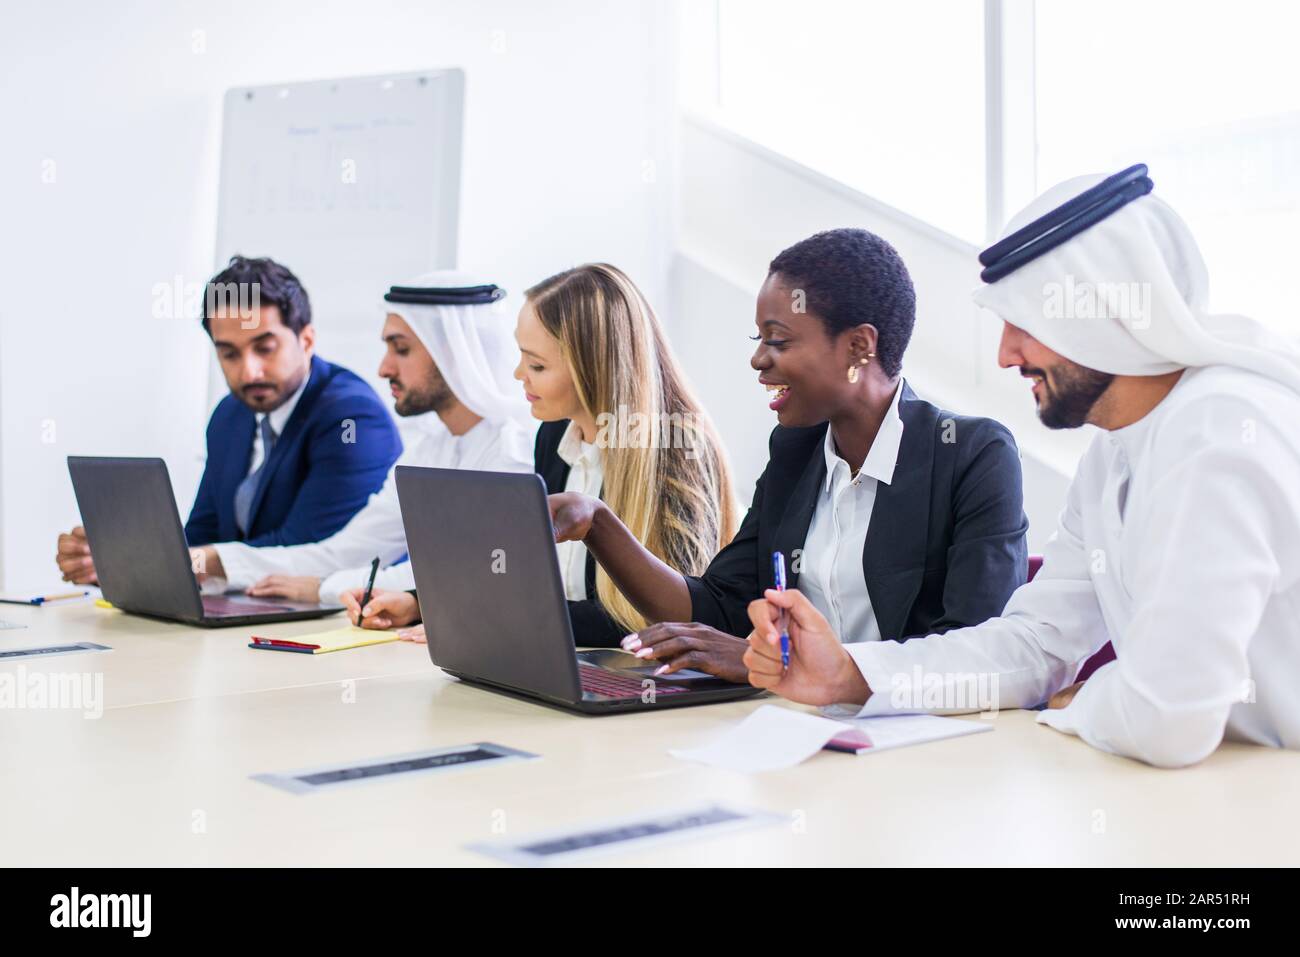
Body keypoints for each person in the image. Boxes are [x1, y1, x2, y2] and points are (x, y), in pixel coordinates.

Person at [745, 167, 1300, 768]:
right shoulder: (1114, 453)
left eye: (1025, 324)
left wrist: (1076, 704)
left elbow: (1170, 718)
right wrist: (847, 672)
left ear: (1103, 311)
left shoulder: (1216, 432)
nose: (1007, 354)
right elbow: (1035, 645)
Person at [550, 228, 1028, 682]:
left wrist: (789, 664)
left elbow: (972, 651)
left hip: (918, 744)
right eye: (758, 339)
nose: (759, 359)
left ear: (858, 347)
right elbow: (718, 608)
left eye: (777, 340)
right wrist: (598, 524)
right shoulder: (797, 453)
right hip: (804, 732)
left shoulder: (972, 455)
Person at [342, 263, 737, 647]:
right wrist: (420, 603)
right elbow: (520, 571)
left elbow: (668, 620)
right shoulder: (552, 435)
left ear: (593, 368)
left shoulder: (676, 451)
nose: (518, 374)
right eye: (521, 356)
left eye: (537, 364)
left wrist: (501, 622)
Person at [185, 272, 535, 605]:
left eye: (401, 349)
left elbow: (467, 571)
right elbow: (347, 552)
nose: (384, 369)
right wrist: (213, 560)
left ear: (453, 352)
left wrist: (325, 587)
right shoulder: (427, 451)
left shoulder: (517, 451)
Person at [55, 256, 401, 584]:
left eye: (264, 348)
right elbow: (205, 534)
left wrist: (162, 561)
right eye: (229, 353)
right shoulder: (230, 415)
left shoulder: (353, 420)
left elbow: (303, 551)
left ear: (306, 340)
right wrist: (122, 561)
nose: (249, 371)